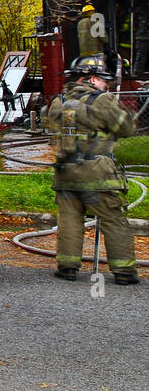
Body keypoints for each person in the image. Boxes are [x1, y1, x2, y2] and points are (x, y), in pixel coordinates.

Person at [43, 55, 139, 285]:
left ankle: (67, 267)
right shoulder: (101, 100)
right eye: (104, 80)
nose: (107, 85)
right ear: (93, 79)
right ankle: (124, 272)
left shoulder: (57, 102)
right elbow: (126, 128)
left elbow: (54, 130)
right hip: (98, 175)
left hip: (65, 173)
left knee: (69, 221)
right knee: (113, 221)